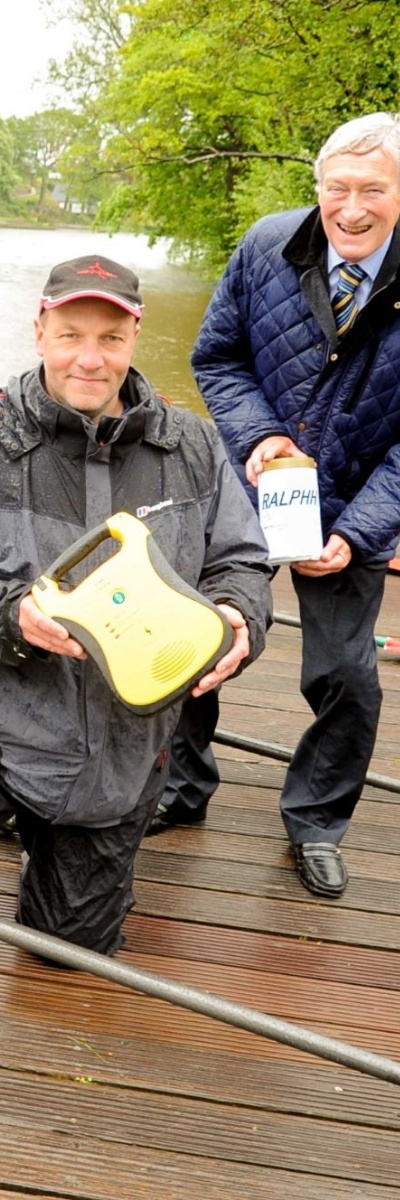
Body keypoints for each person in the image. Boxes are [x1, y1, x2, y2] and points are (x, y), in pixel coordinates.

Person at [0, 255, 273, 955]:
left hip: (120, 750)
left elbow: (242, 561)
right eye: (70, 336)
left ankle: (48, 837)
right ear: (39, 331)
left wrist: (240, 615)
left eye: (110, 339)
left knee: (67, 949)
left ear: (134, 338)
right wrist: (10, 616)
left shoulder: (191, 445)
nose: (90, 359)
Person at [148, 113, 400, 900]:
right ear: (316, 187)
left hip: (358, 500)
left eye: (373, 190)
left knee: (347, 675)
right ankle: (179, 787)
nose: (351, 208)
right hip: (246, 487)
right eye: (337, 188)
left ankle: (316, 822)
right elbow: (216, 358)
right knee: (196, 635)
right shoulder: (266, 245)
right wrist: (259, 436)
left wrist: (358, 532)